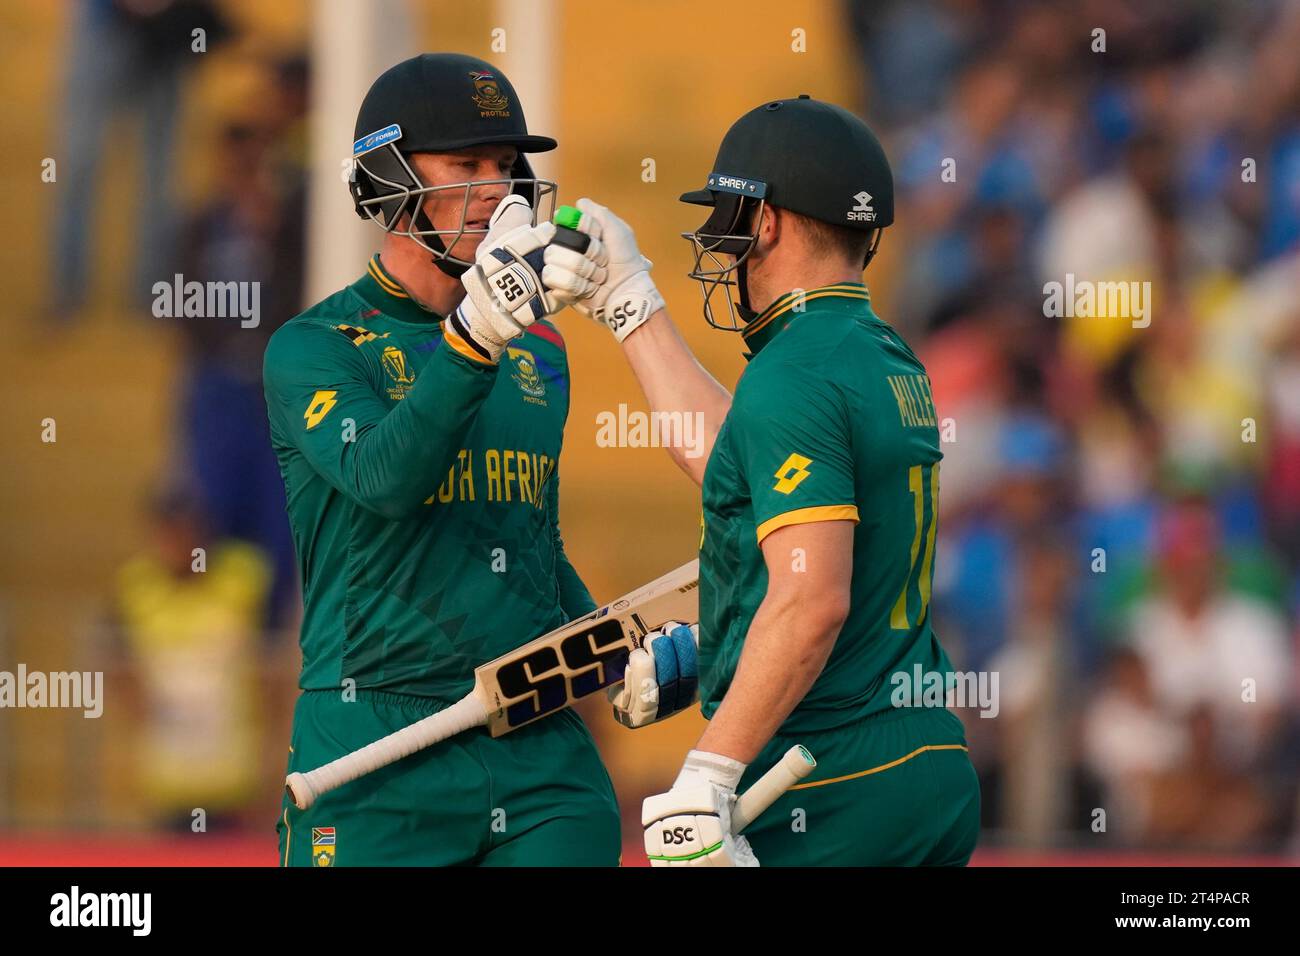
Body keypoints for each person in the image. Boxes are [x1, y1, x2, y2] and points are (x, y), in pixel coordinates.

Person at [543, 95, 980, 865]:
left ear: (766, 221)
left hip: (831, 775)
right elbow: (737, 469)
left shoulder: (794, 369)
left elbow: (812, 597)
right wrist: (628, 302)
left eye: (730, 215)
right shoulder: (877, 350)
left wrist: (708, 771)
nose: (721, 238)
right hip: (921, 760)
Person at [264, 53, 619, 866]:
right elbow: (384, 480)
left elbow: (533, 543)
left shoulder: (544, 349)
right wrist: (472, 339)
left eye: (507, 165)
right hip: (375, 740)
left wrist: (614, 652)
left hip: (537, 749)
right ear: (388, 179)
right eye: (467, 164)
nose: (499, 189)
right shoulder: (311, 349)